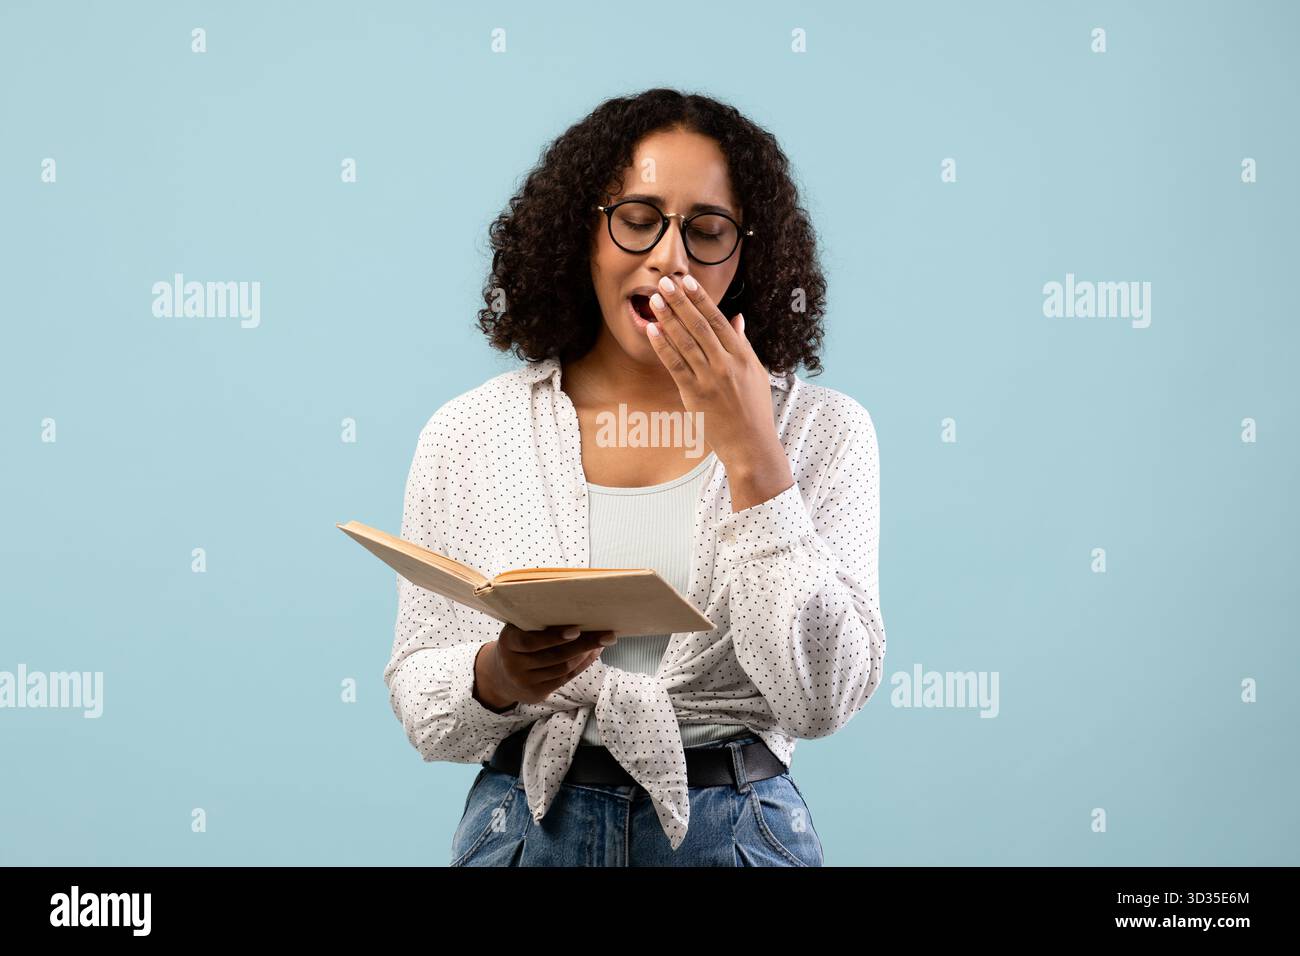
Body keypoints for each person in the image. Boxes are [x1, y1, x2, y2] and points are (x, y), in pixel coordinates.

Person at [384, 88, 887, 866]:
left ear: (747, 254)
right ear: (583, 232)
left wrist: (754, 454)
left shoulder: (823, 431)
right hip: (527, 828)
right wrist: (501, 672)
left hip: (734, 834)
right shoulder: (470, 433)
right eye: (639, 219)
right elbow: (423, 707)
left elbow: (820, 698)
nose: (670, 258)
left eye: (707, 230)